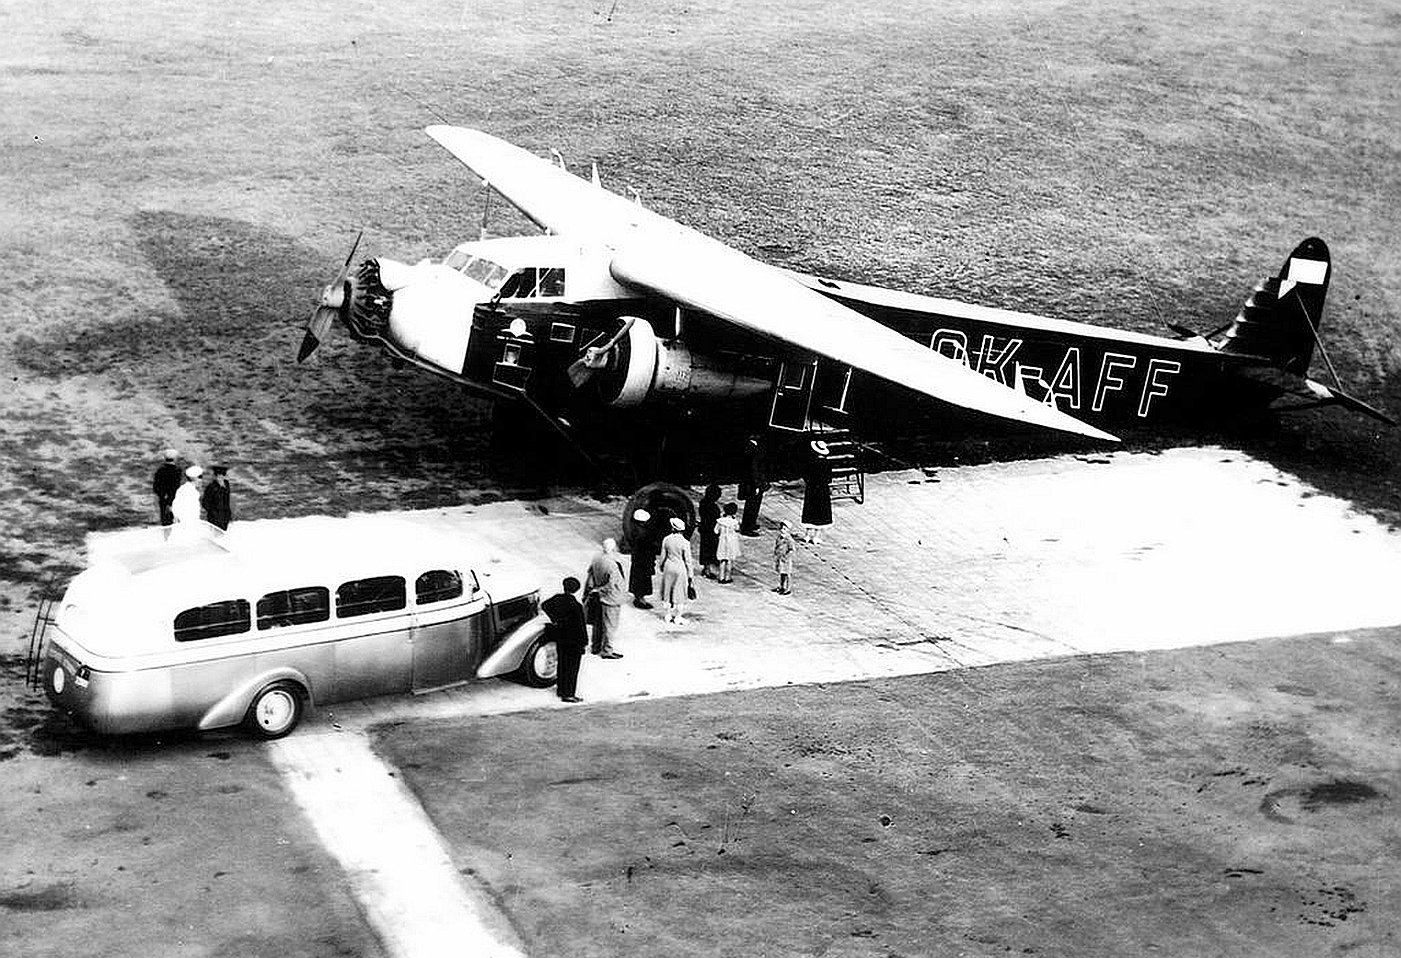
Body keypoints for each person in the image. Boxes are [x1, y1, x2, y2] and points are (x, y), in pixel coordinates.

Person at [542, 577, 587, 703]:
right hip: (573, 640)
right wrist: (584, 643)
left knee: (562, 664)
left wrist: (555, 619)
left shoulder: (557, 598)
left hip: (560, 637)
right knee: (572, 668)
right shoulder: (576, 606)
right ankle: (568, 694)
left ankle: (561, 689)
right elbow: (581, 627)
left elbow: (545, 605)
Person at [584, 538, 627, 659]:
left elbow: (590, 577)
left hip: (598, 597)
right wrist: (600, 590)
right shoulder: (612, 565)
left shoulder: (597, 559)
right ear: (613, 549)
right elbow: (612, 584)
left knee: (598, 623)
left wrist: (593, 591)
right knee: (610, 626)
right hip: (611, 598)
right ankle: (607, 650)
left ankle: (595, 647)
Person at [658, 516, 695, 626]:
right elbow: (688, 560)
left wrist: (661, 566)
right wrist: (690, 575)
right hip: (680, 567)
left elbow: (662, 556)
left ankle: (667, 615)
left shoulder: (666, 539)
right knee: (679, 593)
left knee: (667, 591)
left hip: (669, 566)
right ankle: (678, 617)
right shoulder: (685, 542)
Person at [802, 440, 833, 544]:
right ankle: (816, 537)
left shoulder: (810, 462)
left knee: (810, 509)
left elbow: (805, 476)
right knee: (821, 511)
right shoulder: (827, 463)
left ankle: (807, 535)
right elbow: (829, 479)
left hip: (811, 489)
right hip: (822, 490)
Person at [628, 508, 658, 609]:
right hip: (644, 559)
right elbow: (650, 546)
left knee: (637, 577)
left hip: (637, 558)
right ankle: (640, 599)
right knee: (643, 579)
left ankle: (638, 597)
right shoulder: (643, 533)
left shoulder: (634, 530)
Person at [738, 435, 768, 537]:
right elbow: (754, 470)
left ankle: (750, 523)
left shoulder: (749, 447)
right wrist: (757, 485)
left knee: (751, 505)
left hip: (749, 483)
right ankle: (747, 528)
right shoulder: (753, 451)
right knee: (752, 505)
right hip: (752, 484)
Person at [170, 465, 203, 540]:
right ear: (194, 478)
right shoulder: (185, 490)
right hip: (186, 524)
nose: (201, 480)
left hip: (192, 523)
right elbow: (176, 506)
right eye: (200, 477)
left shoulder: (191, 490)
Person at [152, 449, 182, 528]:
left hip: (163, 499)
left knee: (165, 520)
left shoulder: (160, 471)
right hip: (174, 499)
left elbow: (156, 487)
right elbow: (176, 487)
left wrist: (162, 496)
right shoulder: (177, 471)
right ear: (175, 459)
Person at [697, 484, 722, 578]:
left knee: (704, 547)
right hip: (711, 530)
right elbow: (715, 518)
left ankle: (706, 567)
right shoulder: (713, 507)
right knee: (710, 549)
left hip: (704, 528)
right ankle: (708, 569)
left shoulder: (703, 503)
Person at [715, 501, 741, 584]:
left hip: (722, 541)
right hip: (732, 542)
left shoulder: (720, 521)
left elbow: (715, 531)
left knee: (722, 559)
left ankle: (721, 577)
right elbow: (737, 529)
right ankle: (728, 577)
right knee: (729, 560)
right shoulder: (735, 522)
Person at [201, 464, 232, 531]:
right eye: (218, 476)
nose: (220, 478)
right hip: (214, 518)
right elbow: (205, 503)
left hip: (225, 516)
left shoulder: (226, 485)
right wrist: (213, 512)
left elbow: (227, 501)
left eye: (222, 476)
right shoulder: (211, 487)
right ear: (215, 476)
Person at [773, 520, 795, 595]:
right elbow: (777, 546)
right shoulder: (779, 537)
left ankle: (788, 588)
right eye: (782, 529)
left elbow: (791, 550)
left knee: (787, 574)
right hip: (780, 558)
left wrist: (787, 557)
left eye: (785, 529)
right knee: (782, 573)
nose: (783, 531)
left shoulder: (789, 540)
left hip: (786, 560)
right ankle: (781, 586)